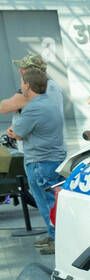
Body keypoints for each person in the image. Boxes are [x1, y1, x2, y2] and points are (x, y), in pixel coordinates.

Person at [5, 67, 66, 254]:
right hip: (51, 160)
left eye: (22, 83)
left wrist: (12, 131)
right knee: (52, 201)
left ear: (28, 86)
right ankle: (52, 233)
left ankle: (58, 239)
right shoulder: (48, 104)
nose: (21, 86)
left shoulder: (33, 108)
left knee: (48, 203)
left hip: (40, 162)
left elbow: (18, 133)